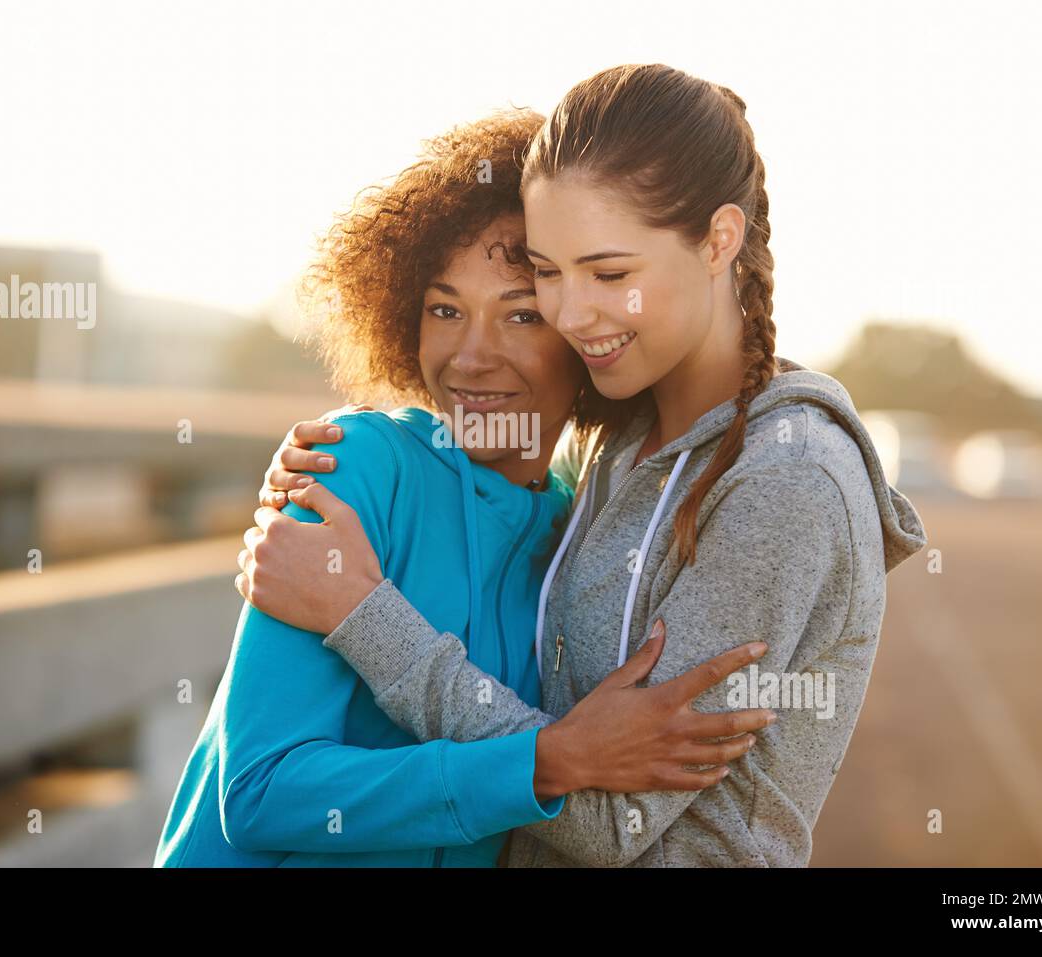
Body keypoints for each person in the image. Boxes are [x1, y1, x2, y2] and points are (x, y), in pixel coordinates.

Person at [241, 64, 928, 867]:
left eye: (609, 274)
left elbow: (613, 819)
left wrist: (363, 614)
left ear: (719, 240)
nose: (573, 313)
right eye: (551, 274)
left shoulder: (787, 479)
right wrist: (337, 471)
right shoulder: (613, 442)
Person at [155, 107, 774, 868]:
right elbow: (260, 793)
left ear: (581, 333)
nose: (472, 356)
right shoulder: (354, 469)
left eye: (519, 315)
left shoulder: (578, 524)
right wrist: (541, 761)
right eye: (445, 309)